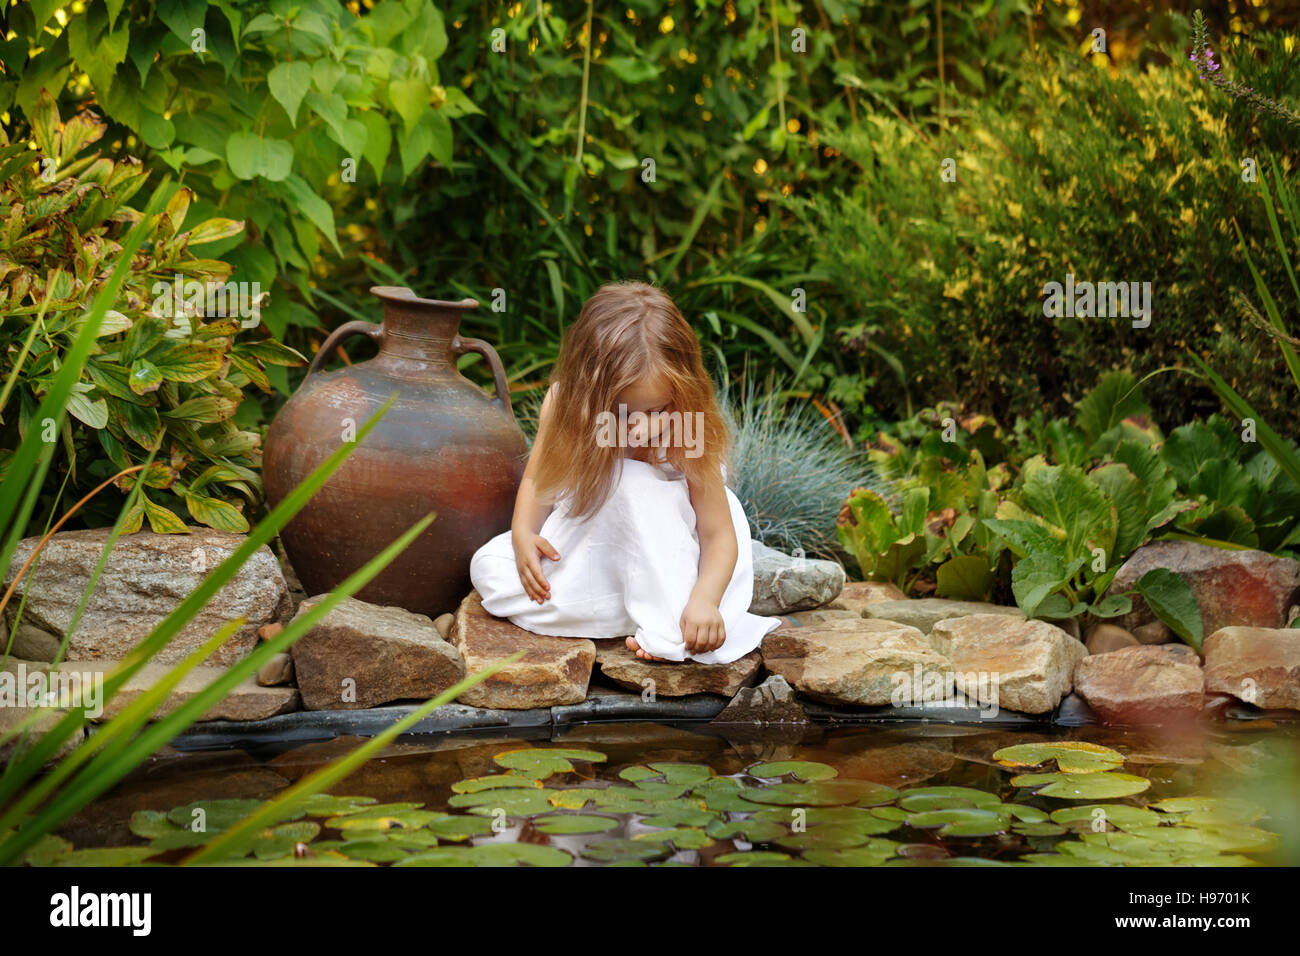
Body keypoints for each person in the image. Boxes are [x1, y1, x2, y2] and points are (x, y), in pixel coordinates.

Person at [468, 280, 780, 664]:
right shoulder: (565, 404)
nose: (639, 425)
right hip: (598, 552)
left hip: (677, 564)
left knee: (631, 482)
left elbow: (718, 537)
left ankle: (674, 624)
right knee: (488, 569)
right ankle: (628, 608)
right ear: (589, 392)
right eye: (623, 410)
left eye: (656, 410)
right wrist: (523, 534)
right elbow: (538, 480)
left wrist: (705, 599)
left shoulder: (688, 428)